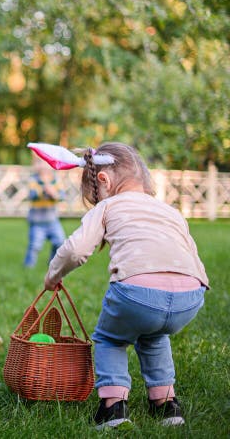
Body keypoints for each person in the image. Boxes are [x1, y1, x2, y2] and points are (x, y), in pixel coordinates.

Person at [34, 142, 209, 430]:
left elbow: (76, 250)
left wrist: (53, 276)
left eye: (95, 194)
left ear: (104, 180)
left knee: (110, 339)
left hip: (137, 293)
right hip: (190, 296)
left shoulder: (109, 206)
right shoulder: (169, 210)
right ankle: (166, 406)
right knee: (153, 335)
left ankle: (113, 408)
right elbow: (190, 251)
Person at [22, 155, 67, 268]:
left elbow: (61, 196)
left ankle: (52, 263)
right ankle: (28, 266)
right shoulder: (34, 180)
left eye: (45, 163)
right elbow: (32, 195)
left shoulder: (55, 180)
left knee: (59, 242)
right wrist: (43, 190)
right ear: (35, 166)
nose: (42, 166)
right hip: (37, 221)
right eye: (39, 163)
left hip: (52, 220)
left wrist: (54, 194)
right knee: (35, 246)